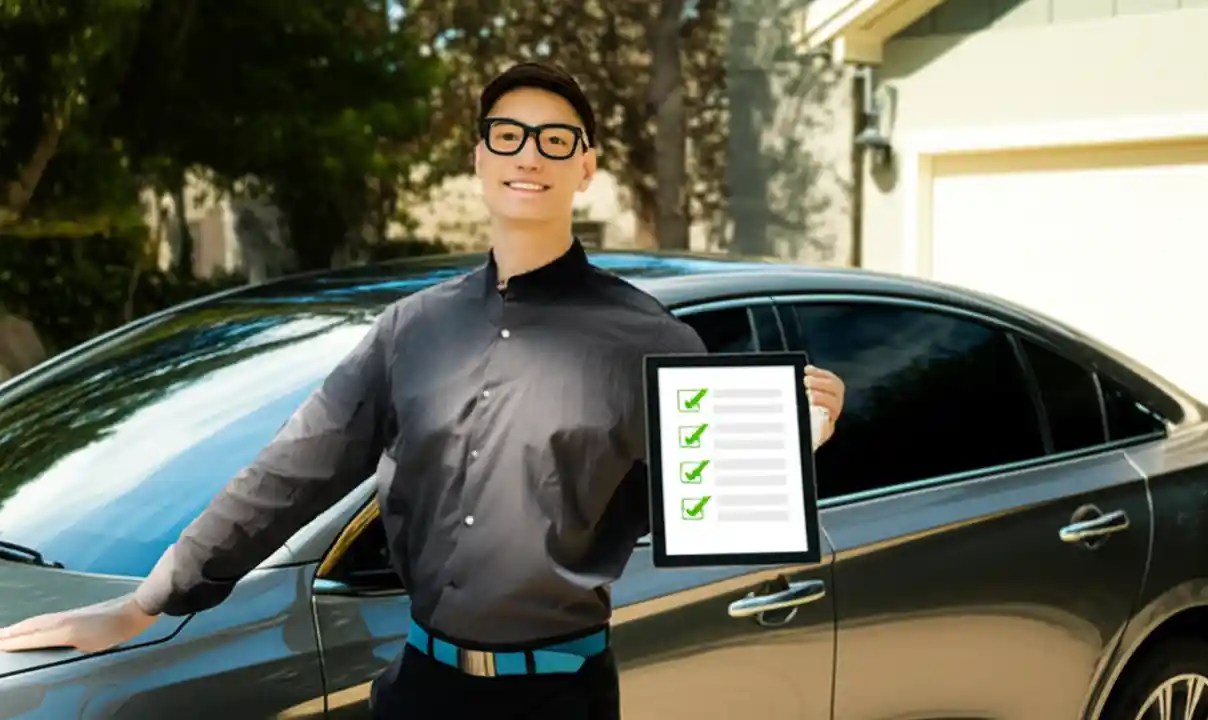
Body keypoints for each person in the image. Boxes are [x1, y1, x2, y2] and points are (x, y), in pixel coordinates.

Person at [0, 61, 846, 718]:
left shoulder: (652, 341)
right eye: (508, 135)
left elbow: (704, 506)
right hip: (417, 695)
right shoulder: (411, 331)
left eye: (557, 140)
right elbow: (290, 472)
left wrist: (785, 441)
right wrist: (143, 605)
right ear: (479, 156)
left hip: (559, 703)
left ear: (585, 168)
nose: (529, 155)